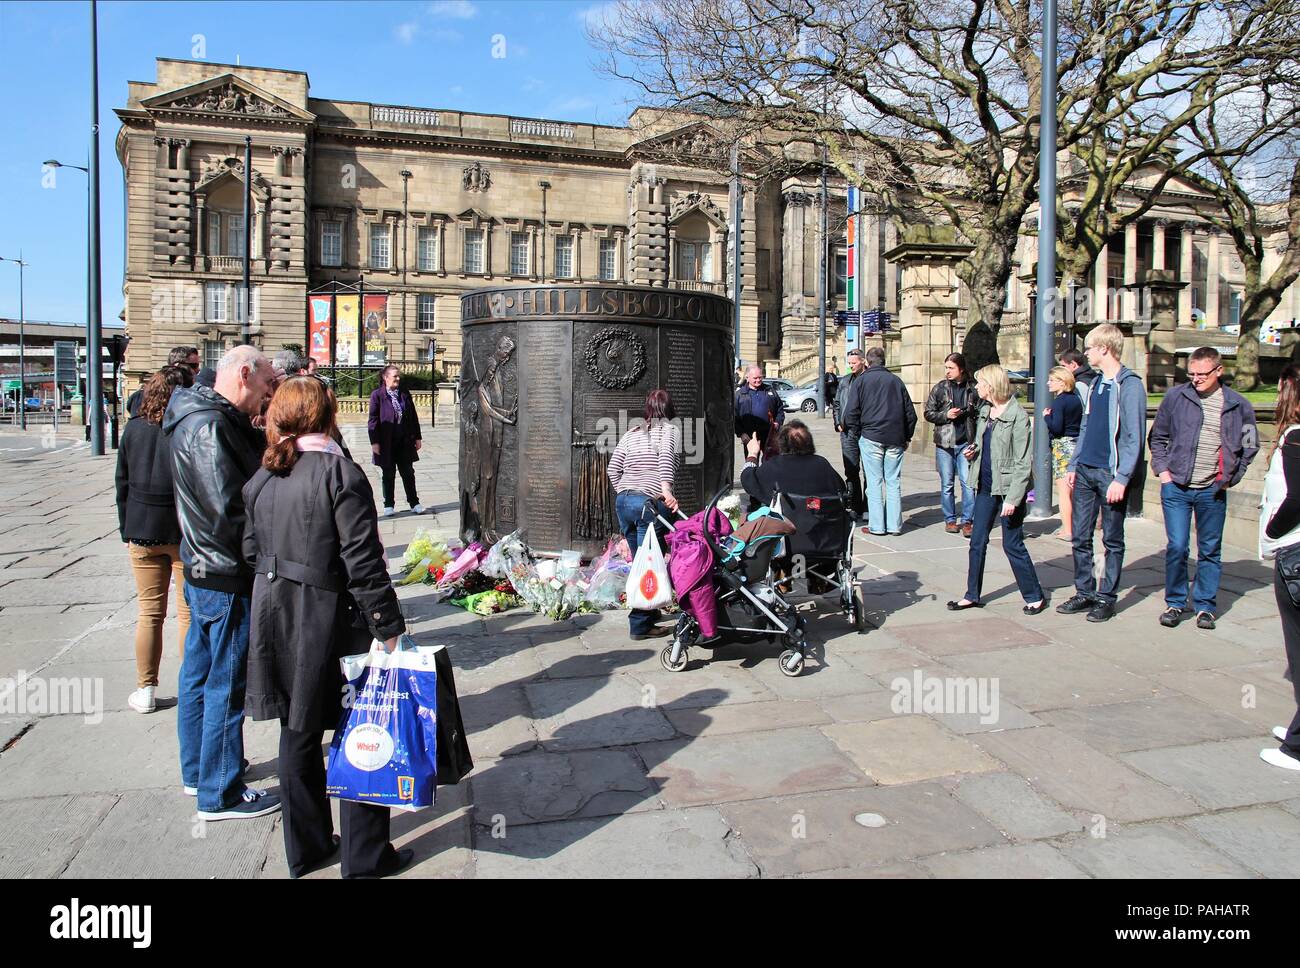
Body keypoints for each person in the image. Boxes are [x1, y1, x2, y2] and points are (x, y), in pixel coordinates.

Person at [243, 376, 414, 877]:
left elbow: (250, 551)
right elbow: (363, 560)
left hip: (275, 615)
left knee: (296, 731)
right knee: (359, 729)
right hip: (333, 618)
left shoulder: (263, 477)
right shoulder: (340, 474)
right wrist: (386, 624)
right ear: (326, 416)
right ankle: (364, 857)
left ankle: (309, 848)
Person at [163, 344, 280, 820]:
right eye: (266, 385)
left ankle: (198, 772)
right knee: (225, 683)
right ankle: (220, 792)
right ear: (245, 373)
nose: (268, 394)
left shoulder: (198, 417)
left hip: (202, 567)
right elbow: (227, 511)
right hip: (223, 572)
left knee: (198, 673)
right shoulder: (210, 426)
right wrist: (263, 557)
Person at [1149, 346, 1258, 630]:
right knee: (1177, 546)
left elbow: (1250, 444)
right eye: (1192, 374)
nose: (1196, 379)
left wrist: (1232, 476)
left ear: (1219, 371)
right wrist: (1163, 472)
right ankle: (1175, 602)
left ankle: (1205, 606)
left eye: (1202, 374)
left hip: (1213, 489)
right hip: (1177, 487)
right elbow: (1158, 436)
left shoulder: (1238, 404)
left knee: (1210, 550)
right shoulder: (1176, 397)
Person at [116, 365, 193, 714]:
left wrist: (127, 527)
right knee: (188, 614)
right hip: (180, 531)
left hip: (142, 531)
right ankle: (191, 686)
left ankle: (145, 688)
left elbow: (122, 482)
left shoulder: (132, 429)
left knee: (149, 613)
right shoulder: (184, 429)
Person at [1058, 323, 1146, 624]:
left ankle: (1106, 597)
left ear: (1104, 349)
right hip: (1085, 471)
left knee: (1112, 539)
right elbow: (1085, 427)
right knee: (1080, 536)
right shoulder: (1094, 384)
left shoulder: (1130, 385)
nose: (1086, 353)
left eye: (1090, 348)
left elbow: (1134, 436)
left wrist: (1122, 478)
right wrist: (1073, 465)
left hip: (1110, 474)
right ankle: (1084, 591)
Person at [946, 365, 1046, 614]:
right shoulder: (985, 412)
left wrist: (1014, 498)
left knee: (1012, 544)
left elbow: (1024, 462)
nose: (976, 387)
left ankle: (1035, 595)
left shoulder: (1018, 417)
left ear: (990, 386)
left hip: (1009, 490)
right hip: (986, 487)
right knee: (977, 541)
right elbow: (983, 446)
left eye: (980, 383)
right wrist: (973, 452)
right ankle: (972, 595)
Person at [607, 389, 682, 640]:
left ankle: (649, 611)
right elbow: (665, 462)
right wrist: (666, 492)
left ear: (648, 409)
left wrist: (628, 494)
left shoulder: (632, 433)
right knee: (648, 562)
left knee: (642, 559)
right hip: (648, 505)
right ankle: (640, 625)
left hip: (624, 503)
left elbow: (613, 469)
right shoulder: (669, 430)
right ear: (669, 409)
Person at [741, 419, 845, 591]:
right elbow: (841, 494)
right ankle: (816, 576)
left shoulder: (773, 467)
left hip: (786, 544)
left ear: (781, 443)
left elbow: (748, 480)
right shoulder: (823, 465)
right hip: (825, 543)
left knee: (753, 515)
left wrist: (752, 453)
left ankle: (782, 575)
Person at [1260, 364, 1300, 771]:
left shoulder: (1295, 437)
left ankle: (1298, 747)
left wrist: (1273, 531)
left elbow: (1296, 499)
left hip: (1295, 554)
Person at [841, 346, 917, 536]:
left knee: (874, 482)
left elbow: (850, 413)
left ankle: (877, 526)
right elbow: (911, 414)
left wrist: (858, 432)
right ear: (884, 361)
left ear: (867, 362)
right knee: (893, 482)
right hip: (895, 438)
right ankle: (894, 525)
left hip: (871, 436)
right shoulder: (896, 381)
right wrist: (907, 436)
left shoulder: (862, 381)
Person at [923, 352, 978, 536]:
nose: (947, 371)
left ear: (961, 369)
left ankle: (968, 520)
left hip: (966, 441)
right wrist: (945, 415)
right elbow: (928, 413)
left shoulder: (973, 388)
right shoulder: (940, 388)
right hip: (945, 441)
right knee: (947, 483)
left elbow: (979, 414)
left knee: (968, 483)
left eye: (951, 368)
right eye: (946, 368)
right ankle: (950, 520)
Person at [368, 364, 424, 517]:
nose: (398, 379)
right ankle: (388, 505)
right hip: (386, 442)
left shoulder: (404, 393)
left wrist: (417, 437)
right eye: (395, 376)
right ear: (385, 378)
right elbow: (373, 420)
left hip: (404, 440)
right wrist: (375, 442)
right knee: (388, 473)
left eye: (399, 376)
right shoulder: (377, 395)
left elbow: (413, 416)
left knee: (408, 473)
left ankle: (414, 502)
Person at [1042, 366, 1083, 541]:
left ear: (1061, 381)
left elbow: (1057, 427)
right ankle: (1075, 526)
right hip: (1076, 443)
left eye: (1052, 380)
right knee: (1073, 491)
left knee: (1064, 492)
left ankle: (1068, 530)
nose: (1048, 383)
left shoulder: (1059, 401)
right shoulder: (1076, 399)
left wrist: (1046, 416)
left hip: (1062, 446)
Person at [833, 348, 867, 519]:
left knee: (869, 471)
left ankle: (867, 506)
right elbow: (837, 403)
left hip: (867, 431)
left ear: (863, 361)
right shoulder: (845, 380)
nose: (851, 365)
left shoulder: (869, 379)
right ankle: (855, 505)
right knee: (851, 470)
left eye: (854, 362)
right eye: (850, 363)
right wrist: (837, 422)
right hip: (847, 431)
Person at [127, 346, 198, 417]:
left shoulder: (193, 392)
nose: (197, 370)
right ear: (176, 365)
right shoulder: (140, 397)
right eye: (193, 365)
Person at [735, 364, 785, 459]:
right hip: (750, 436)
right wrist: (741, 433)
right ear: (747, 377)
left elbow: (780, 409)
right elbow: (734, 417)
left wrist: (778, 423)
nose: (758, 380)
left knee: (771, 462)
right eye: (755, 378)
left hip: (769, 434)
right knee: (752, 462)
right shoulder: (739, 394)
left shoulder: (769, 390)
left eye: (760, 377)